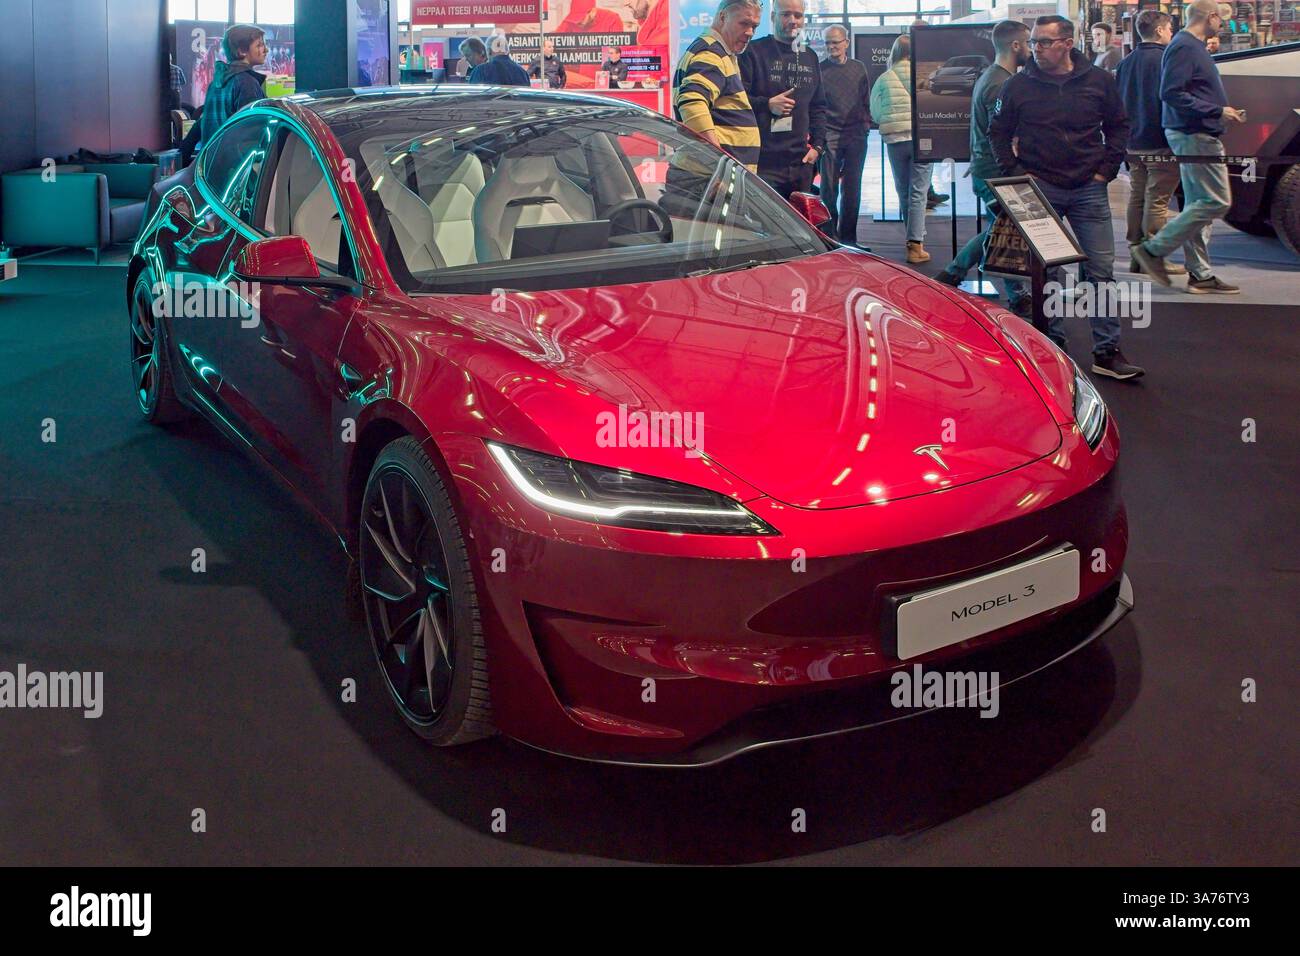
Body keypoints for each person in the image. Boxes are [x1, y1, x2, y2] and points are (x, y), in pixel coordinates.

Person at [989, 15, 1144, 380]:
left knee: (1101, 272)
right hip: (1041, 188)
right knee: (1048, 272)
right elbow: (997, 132)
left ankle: (1107, 351)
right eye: (1035, 42)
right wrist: (1014, 173)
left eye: (1044, 42)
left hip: (1089, 188)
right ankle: (1052, 346)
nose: (1035, 49)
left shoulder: (1099, 82)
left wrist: (1105, 170)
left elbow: (1119, 126)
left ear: (1067, 44)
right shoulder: (1019, 86)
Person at [1132, 0, 1246, 292]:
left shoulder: (1189, 46)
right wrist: (1216, 111)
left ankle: (1200, 274)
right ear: (1210, 17)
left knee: (1199, 205)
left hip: (1194, 132)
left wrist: (1220, 110)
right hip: (1194, 134)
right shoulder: (1185, 46)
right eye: (1221, 19)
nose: (1222, 24)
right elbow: (1170, 92)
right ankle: (1153, 250)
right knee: (1215, 202)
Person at [935, 18, 1031, 315]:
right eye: (1029, 43)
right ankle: (955, 274)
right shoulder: (999, 83)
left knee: (1002, 228)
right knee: (1008, 229)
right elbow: (998, 135)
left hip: (987, 169)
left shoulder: (993, 77)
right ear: (1015, 45)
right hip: (994, 173)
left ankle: (953, 274)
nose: (1031, 49)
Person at [1117, 10, 1186, 275]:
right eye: (1169, 28)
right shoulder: (1167, 60)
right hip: (1160, 139)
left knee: (1137, 195)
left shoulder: (1126, 62)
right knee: (1158, 199)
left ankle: (1136, 250)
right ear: (1159, 31)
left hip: (1134, 142)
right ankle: (1153, 255)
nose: (1171, 33)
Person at [739, 0, 827, 199]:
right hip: (763, 162)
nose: (793, 21)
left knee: (800, 228)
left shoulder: (810, 56)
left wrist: (818, 147)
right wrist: (767, 104)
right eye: (786, 14)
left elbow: (818, 106)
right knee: (765, 227)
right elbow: (737, 102)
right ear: (773, 17)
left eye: (798, 15)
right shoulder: (753, 52)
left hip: (801, 163)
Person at [673, 0, 762, 171]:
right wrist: (716, 162)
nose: (750, 32)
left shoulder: (712, 50)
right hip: (707, 177)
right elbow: (691, 102)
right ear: (722, 17)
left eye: (755, 26)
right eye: (744, 23)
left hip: (706, 174)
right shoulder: (711, 54)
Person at [870, 34, 931, 263]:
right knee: (919, 192)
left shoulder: (884, 78)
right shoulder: (924, 76)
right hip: (922, 140)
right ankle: (915, 244)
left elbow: (875, 113)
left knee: (903, 190)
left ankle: (911, 240)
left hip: (895, 139)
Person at [817, 25, 869, 246]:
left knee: (852, 188)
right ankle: (830, 239)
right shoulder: (820, 70)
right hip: (830, 134)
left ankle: (849, 239)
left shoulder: (859, 68)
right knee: (828, 190)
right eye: (828, 43)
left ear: (846, 42)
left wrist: (865, 127)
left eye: (835, 42)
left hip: (856, 134)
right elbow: (816, 105)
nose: (831, 47)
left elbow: (865, 100)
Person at [200, 24, 268, 145]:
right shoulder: (247, 83)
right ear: (242, 51)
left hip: (213, 159)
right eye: (259, 45)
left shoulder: (215, 83)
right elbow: (252, 130)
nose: (266, 50)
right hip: (237, 161)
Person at [465, 34, 530, 86]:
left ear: (489, 51)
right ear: (507, 50)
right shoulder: (522, 73)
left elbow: (473, 99)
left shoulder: (480, 71)